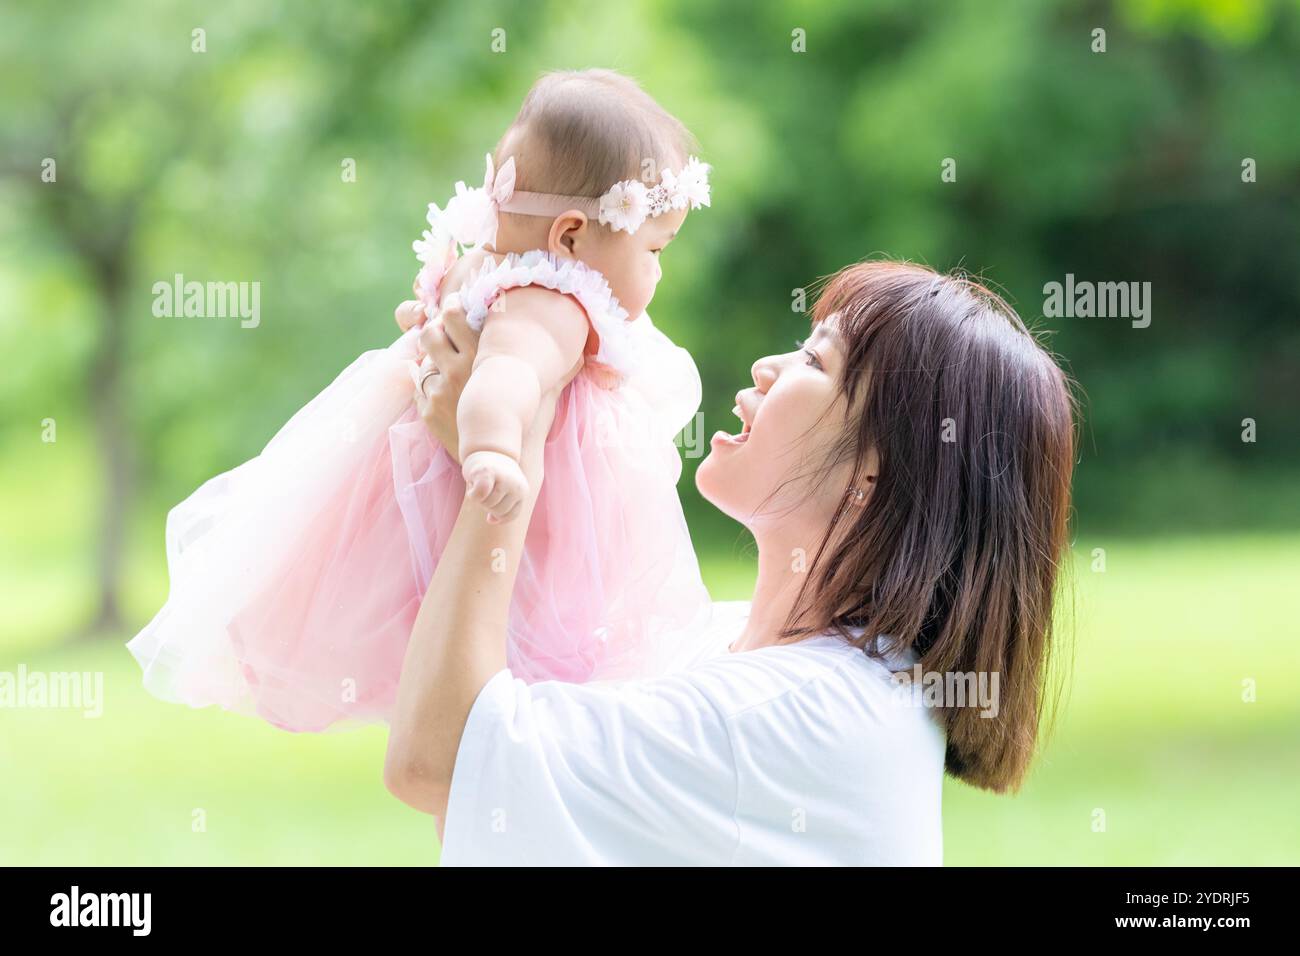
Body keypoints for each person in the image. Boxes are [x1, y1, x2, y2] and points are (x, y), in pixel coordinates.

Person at [385, 259, 1079, 866]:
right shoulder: (727, 645)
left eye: (816, 362)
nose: (766, 368)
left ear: (873, 474)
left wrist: (507, 467)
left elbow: (437, 764)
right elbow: (491, 788)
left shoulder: (790, 716)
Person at [126, 69, 715, 732]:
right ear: (571, 237)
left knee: (459, 670)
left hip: (423, 499)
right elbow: (505, 379)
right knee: (540, 658)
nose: (658, 271)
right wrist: (492, 452)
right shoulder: (550, 307)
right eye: (654, 249)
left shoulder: (487, 269)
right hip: (516, 490)